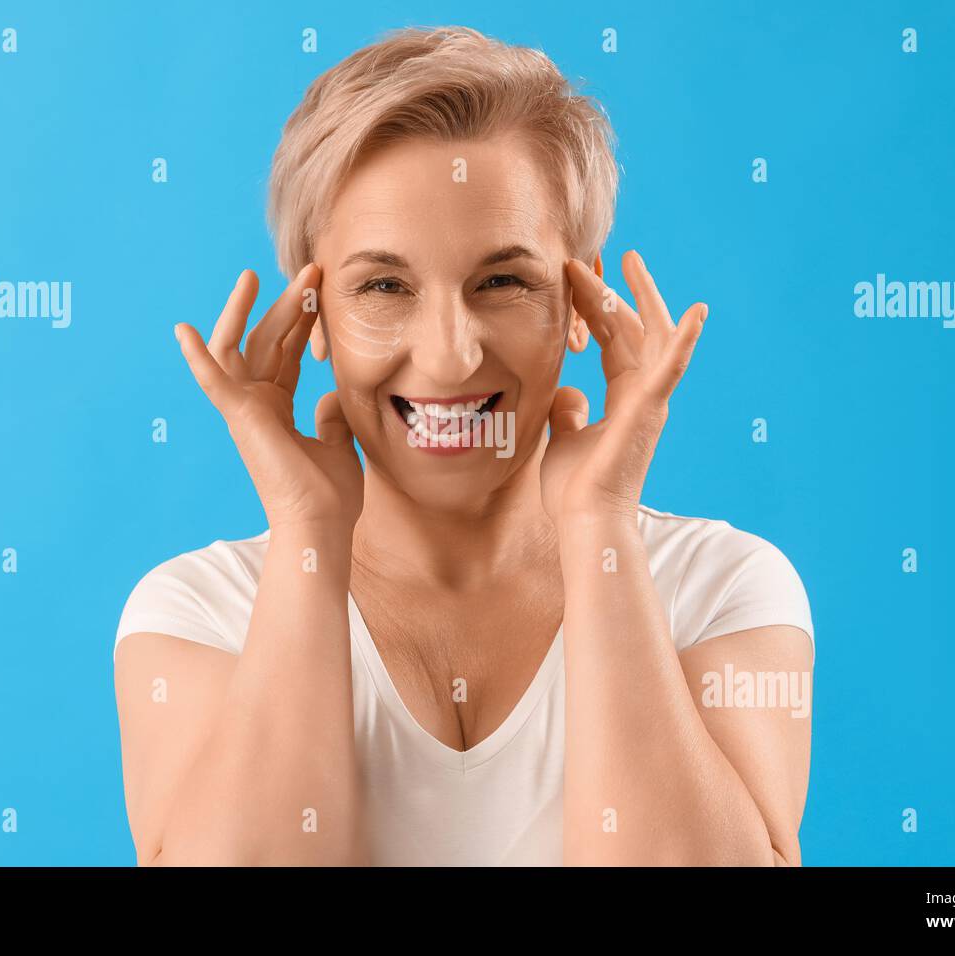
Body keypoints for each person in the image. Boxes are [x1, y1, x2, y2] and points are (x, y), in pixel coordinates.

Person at [113, 25, 814, 866]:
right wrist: (307, 533)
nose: (450, 355)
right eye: (384, 285)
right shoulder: (198, 614)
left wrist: (600, 527)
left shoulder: (721, 589)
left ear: (580, 303)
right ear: (313, 314)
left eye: (502, 281)